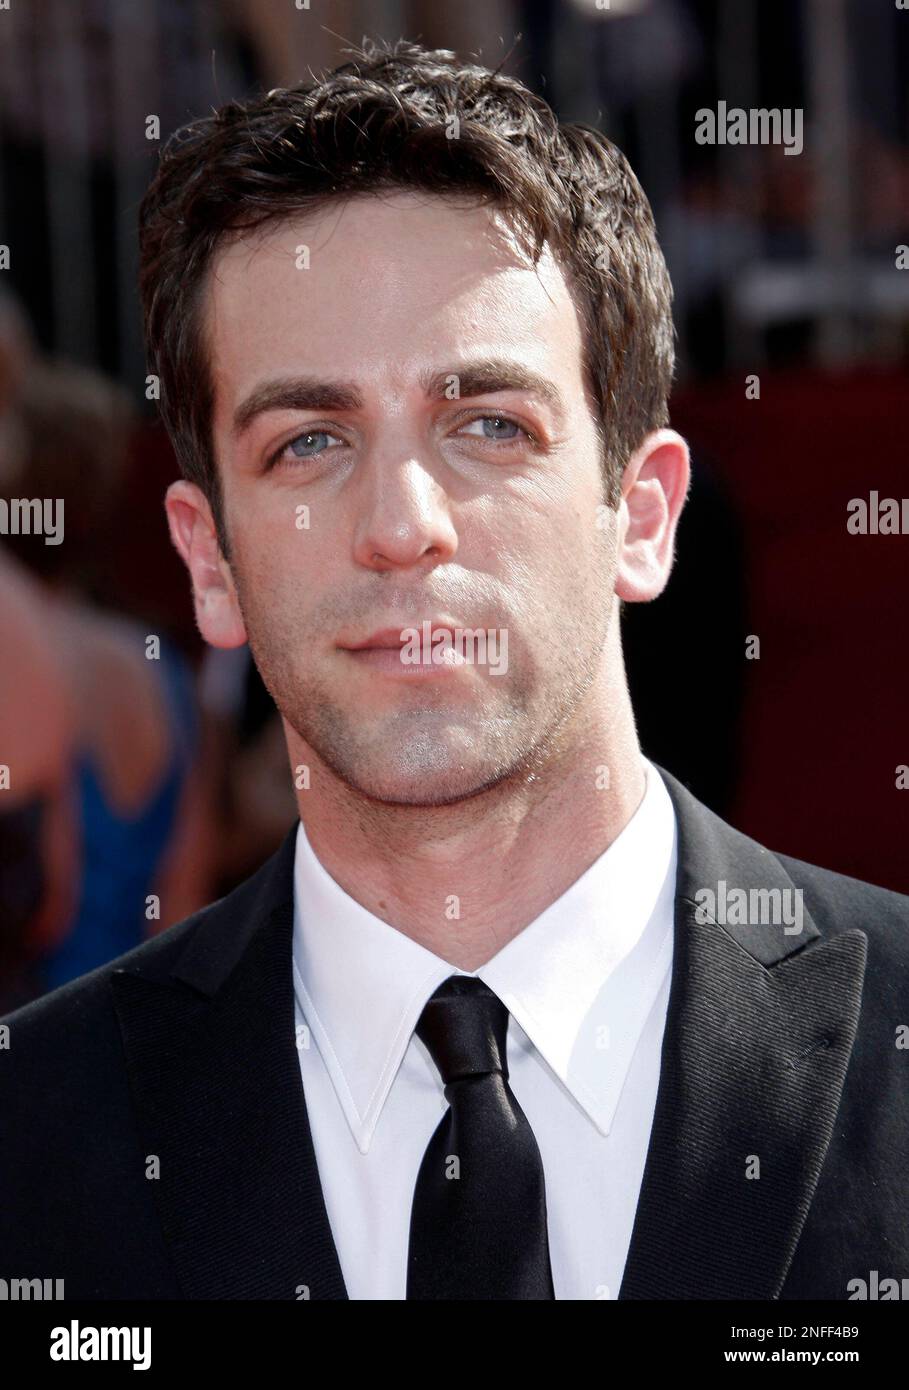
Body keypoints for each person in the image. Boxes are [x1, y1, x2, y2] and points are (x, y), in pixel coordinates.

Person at [0, 38, 906, 1301]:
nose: (401, 519)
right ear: (207, 561)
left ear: (641, 514)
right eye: (308, 440)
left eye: (489, 424)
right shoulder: (33, 1141)